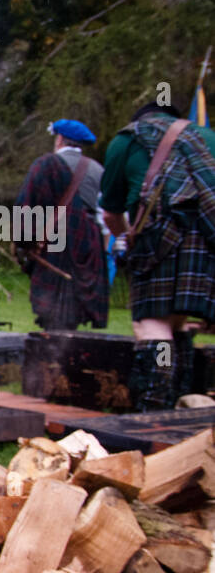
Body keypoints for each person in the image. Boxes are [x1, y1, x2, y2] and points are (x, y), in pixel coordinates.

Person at [100, 101, 215, 410]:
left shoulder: (128, 138)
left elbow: (110, 214)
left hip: (159, 239)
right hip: (208, 241)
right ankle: (182, 407)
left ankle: (155, 408)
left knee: (154, 326)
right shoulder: (207, 136)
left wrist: (129, 239)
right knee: (178, 322)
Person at [14, 118, 109, 331]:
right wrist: (102, 252)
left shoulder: (44, 164)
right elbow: (104, 218)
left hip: (55, 244)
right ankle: (66, 345)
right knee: (73, 309)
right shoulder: (98, 170)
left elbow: (26, 206)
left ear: (59, 139)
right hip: (88, 246)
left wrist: (24, 242)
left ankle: (54, 347)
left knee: (53, 311)